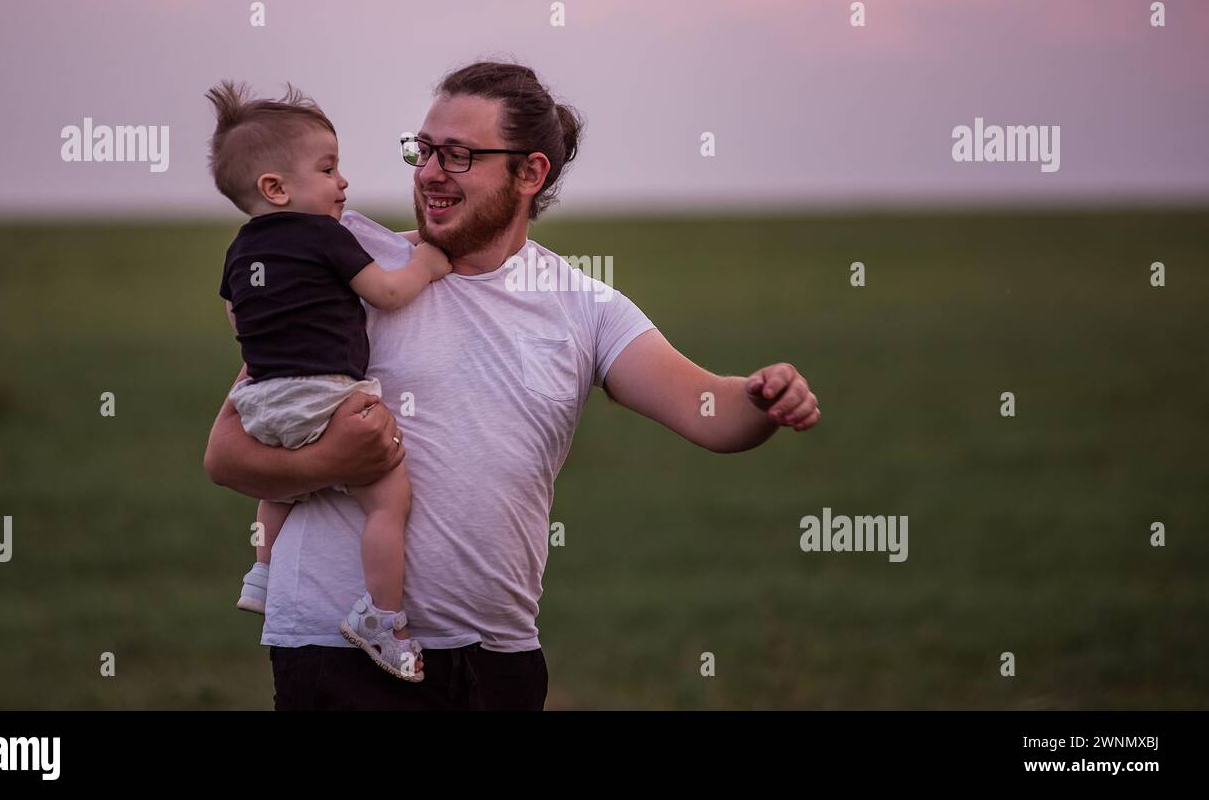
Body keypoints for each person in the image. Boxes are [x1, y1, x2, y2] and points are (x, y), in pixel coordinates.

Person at [203, 61, 821, 710]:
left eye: (460, 155)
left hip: (500, 660)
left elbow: (710, 413)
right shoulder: (348, 265)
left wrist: (762, 398)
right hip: (337, 655)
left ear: (530, 173)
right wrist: (335, 461)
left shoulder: (583, 305)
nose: (431, 171)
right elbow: (226, 454)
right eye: (426, 149)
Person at [207, 80, 451, 682]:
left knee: (281, 483)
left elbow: (237, 315)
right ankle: (382, 617)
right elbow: (389, 294)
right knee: (388, 500)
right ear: (276, 187)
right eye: (327, 168)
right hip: (328, 392)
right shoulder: (324, 235)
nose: (342, 182)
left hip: (260, 399)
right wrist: (427, 262)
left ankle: (261, 571)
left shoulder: (239, 249)